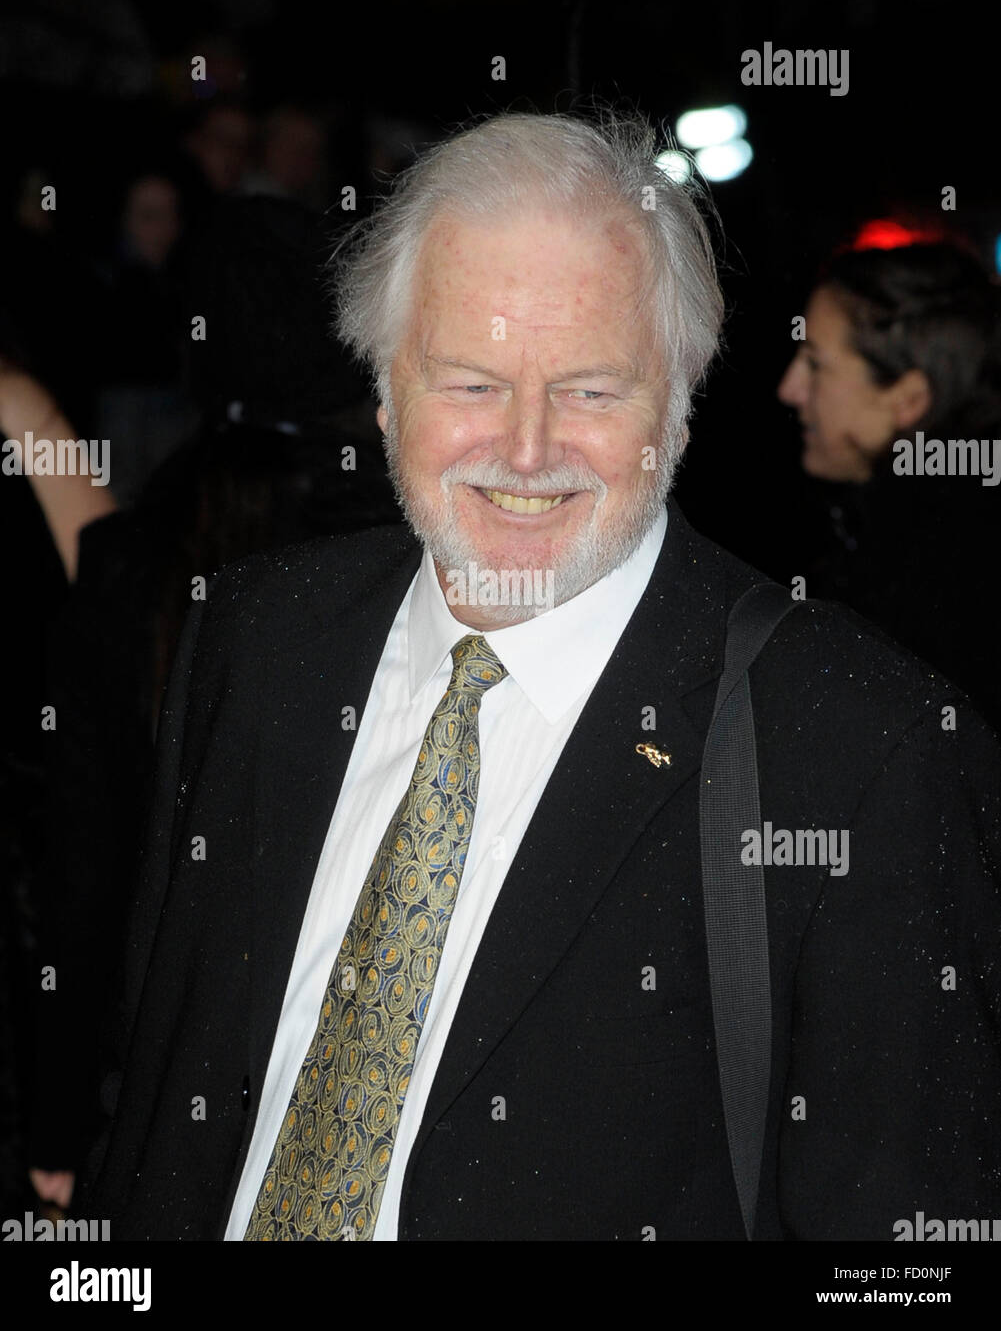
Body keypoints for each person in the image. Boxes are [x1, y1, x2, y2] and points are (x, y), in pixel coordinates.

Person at [85, 112, 1001, 1241]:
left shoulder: (863, 750)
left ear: (677, 403)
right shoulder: (256, 638)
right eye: (470, 382)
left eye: (589, 390)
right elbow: (162, 1081)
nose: (524, 450)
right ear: (382, 390)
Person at [778, 241, 1001, 729]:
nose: (790, 389)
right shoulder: (906, 522)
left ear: (908, 399)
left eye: (817, 364)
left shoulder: (934, 581)